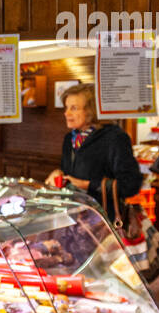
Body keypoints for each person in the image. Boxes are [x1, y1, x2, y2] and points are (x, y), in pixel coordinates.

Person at [45, 83, 143, 224]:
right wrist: (58, 172)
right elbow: (69, 172)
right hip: (72, 219)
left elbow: (131, 185)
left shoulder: (115, 138)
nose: (66, 114)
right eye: (66, 108)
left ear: (92, 111)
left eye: (74, 108)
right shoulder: (69, 139)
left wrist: (88, 184)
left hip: (103, 222)